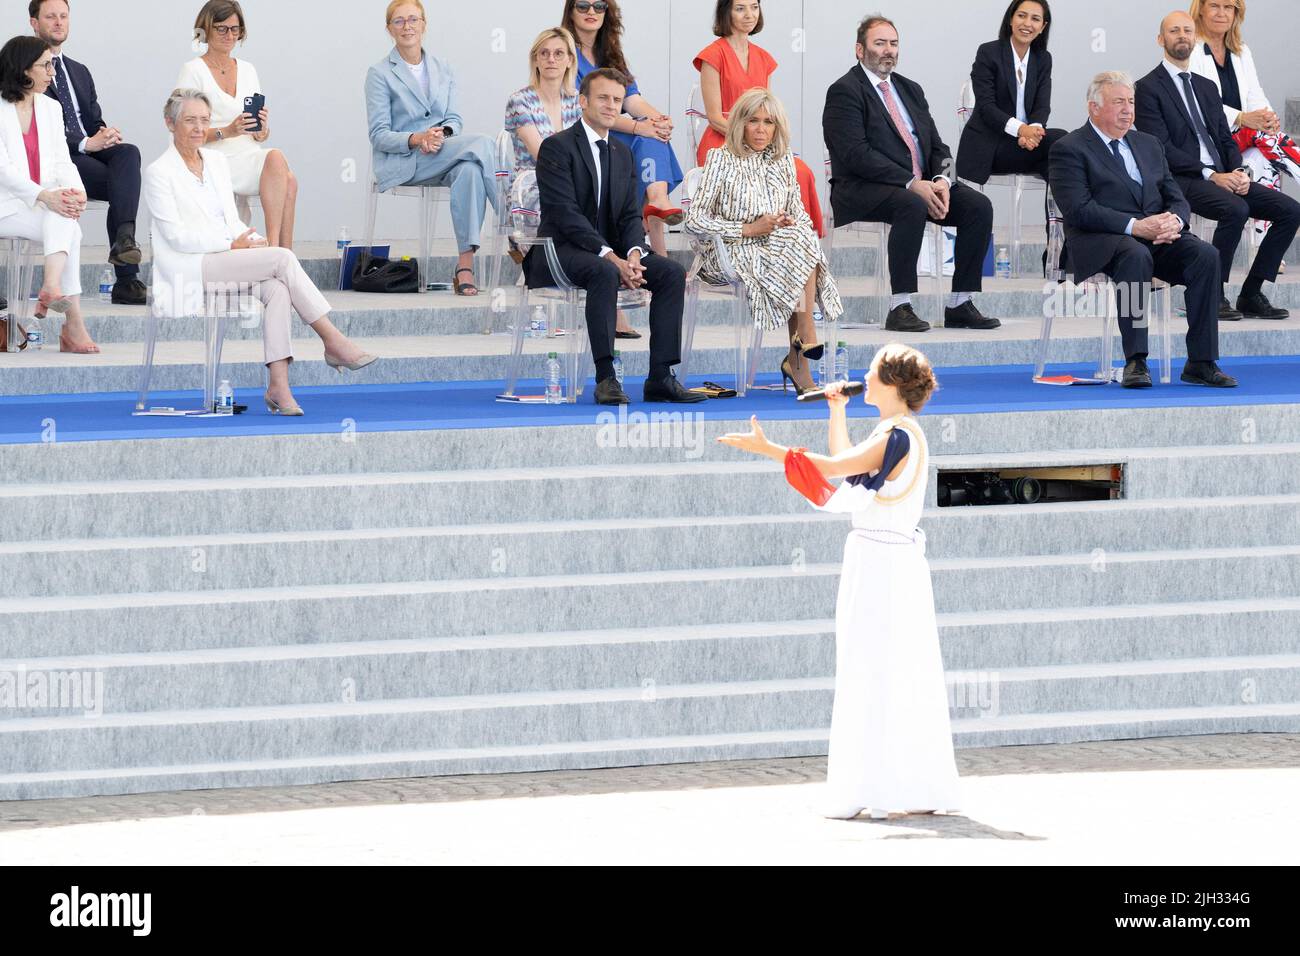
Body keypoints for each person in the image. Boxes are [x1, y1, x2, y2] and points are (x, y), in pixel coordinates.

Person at [717, 344, 961, 821]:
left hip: (884, 566)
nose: (862, 380)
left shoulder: (899, 436)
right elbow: (847, 462)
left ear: (892, 384)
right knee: (870, 667)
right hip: (879, 559)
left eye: (870, 374)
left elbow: (831, 469)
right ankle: (874, 784)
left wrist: (767, 449)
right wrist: (837, 411)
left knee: (874, 668)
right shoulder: (892, 433)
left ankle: (874, 787)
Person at [144, 89, 377, 415]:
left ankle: (278, 386)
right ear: (170, 124)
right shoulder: (159, 172)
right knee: (283, 257)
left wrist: (249, 239)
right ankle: (332, 339)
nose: (198, 128)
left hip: (225, 259)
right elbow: (175, 236)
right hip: (188, 269)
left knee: (277, 287)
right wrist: (231, 244)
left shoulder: (215, 161)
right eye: (189, 121)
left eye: (204, 121)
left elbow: (231, 218)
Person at [526, 67, 703, 406]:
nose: (611, 106)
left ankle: (661, 377)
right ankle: (606, 377)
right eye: (603, 98)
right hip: (561, 250)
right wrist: (611, 256)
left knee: (669, 273)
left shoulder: (623, 153)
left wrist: (635, 253)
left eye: (618, 100)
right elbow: (565, 215)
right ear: (583, 101)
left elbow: (627, 215)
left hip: (614, 251)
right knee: (604, 271)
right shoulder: (556, 148)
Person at [1050, 71, 1235, 389]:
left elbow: (1175, 195)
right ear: (1093, 107)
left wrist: (1174, 222)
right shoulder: (1069, 147)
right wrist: (1136, 226)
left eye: (1131, 102)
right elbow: (1079, 209)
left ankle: (1201, 362)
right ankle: (1136, 360)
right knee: (1134, 254)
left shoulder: (1148, 144)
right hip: (1102, 240)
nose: (1127, 109)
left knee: (1205, 255)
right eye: (1118, 101)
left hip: (1157, 237)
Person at [824, 15, 1000, 334]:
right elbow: (856, 154)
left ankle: (960, 303)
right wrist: (911, 183)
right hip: (864, 188)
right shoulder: (844, 91)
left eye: (893, 43)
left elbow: (937, 144)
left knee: (978, 206)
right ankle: (900, 307)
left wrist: (943, 181)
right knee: (911, 204)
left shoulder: (910, 89)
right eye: (879, 43)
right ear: (859, 50)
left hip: (920, 187)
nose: (888, 50)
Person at [1135, 11, 1297, 320]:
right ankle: (1212, 293)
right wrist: (1212, 174)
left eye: (1186, 30)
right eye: (1173, 31)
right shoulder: (1147, 88)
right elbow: (1160, 148)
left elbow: (1225, 137)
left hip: (1224, 175)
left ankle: (1251, 293)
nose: (1182, 35)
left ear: (1194, 38)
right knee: (1235, 209)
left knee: (1291, 211)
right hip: (1180, 179)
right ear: (1161, 39)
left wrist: (1237, 172)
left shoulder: (1207, 86)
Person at [685, 88, 843, 396]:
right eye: (753, 121)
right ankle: (802, 346)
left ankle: (800, 349)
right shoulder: (720, 160)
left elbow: (800, 217)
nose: (761, 129)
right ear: (740, 124)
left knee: (801, 238)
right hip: (728, 250)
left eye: (768, 122)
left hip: (776, 249)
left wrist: (784, 223)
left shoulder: (784, 163)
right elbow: (694, 221)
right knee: (803, 252)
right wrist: (748, 228)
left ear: (777, 127)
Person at [504, 27, 637, 339]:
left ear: (570, 61)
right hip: (536, 185)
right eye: (544, 53)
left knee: (608, 195)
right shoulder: (519, 100)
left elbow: (607, 124)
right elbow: (541, 153)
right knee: (586, 205)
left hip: (580, 187)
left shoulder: (575, 100)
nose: (551, 59)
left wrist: (645, 129)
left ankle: (611, 281)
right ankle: (612, 300)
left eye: (559, 53)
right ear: (535, 60)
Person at [366, 0, 500, 296]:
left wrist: (442, 134)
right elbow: (379, 135)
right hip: (406, 160)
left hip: (441, 152)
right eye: (399, 21)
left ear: (424, 24)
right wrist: (417, 138)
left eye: (413, 19)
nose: (407, 26)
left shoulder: (444, 68)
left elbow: (454, 119)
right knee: (484, 144)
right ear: (389, 29)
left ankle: (464, 265)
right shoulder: (379, 74)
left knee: (470, 170)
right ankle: (511, 221)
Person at [29, 0, 144, 305]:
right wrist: (83, 143)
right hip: (60, 159)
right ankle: (127, 279)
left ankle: (124, 241)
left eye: (63, 16)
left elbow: (92, 119)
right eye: (50, 16)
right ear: (34, 23)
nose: (58, 22)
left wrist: (104, 135)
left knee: (128, 153)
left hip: (90, 151)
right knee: (122, 184)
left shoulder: (79, 71)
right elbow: (35, 126)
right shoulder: (24, 69)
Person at [564, 0, 684, 258]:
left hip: (613, 132)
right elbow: (586, 110)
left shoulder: (610, 53)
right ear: (571, 12)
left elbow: (632, 100)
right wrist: (640, 127)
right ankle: (657, 239)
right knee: (645, 136)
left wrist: (658, 121)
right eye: (583, 6)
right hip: (583, 134)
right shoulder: (565, 53)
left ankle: (656, 203)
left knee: (654, 138)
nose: (591, 12)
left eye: (599, 6)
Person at [956, 0, 1068, 276]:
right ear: (1010, 19)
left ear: (1043, 27)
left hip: (1026, 145)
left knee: (1061, 163)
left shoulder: (1043, 59)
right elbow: (986, 107)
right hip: (989, 147)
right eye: (1022, 16)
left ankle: (1055, 256)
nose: (1027, 23)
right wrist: (1021, 130)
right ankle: (1061, 261)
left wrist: (1035, 131)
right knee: (1062, 142)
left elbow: (1043, 106)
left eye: (1035, 19)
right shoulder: (989, 52)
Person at [693, 0, 824, 236]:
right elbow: (713, 117)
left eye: (754, 7)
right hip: (724, 139)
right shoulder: (712, 55)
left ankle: (798, 234)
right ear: (726, 12)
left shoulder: (764, 58)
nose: (749, 14)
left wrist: (762, 139)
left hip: (758, 139)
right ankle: (755, 235)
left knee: (800, 170)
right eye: (740, 8)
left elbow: (767, 111)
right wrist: (747, 138)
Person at [0, 35, 96, 353]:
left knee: (66, 213)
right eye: (46, 65)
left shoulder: (51, 108)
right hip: (6, 205)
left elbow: (62, 162)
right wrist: (46, 196)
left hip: (38, 206)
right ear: (23, 69)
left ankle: (53, 287)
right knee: (71, 227)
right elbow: (4, 171)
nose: (52, 72)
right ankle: (72, 323)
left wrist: (76, 193)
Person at [1188, 0, 1300, 270]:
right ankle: (1262, 244)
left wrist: (1268, 118)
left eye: (1229, 7)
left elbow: (1255, 95)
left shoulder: (1241, 51)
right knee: (1269, 144)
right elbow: (1195, 102)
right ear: (1201, 8)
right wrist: (1241, 117)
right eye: (1215, 5)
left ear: (1236, 14)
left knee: (1266, 153)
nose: (1222, 13)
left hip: (1244, 139)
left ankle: (1262, 246)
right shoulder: (1190, 48)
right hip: (1210, 140)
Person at [176, 1, 296, 249]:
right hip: (211, 156)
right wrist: (228, 131)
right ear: (205, 30)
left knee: (280, 164)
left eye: (235, 29)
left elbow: (259, 134)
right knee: (285, 174)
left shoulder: (248, 70)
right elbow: (184, 132)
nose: (229, 35)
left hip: (247, 154)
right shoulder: (193, 70)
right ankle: (278, 252)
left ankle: (277, 249)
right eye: (221, 28)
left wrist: (261, 130)